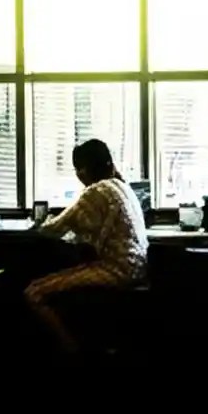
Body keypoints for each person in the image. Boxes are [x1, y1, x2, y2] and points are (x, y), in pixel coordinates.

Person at [24, 139, 148, 354]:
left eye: (78, 168)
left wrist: (39, 223)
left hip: (117, 270)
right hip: (138, 268)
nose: (78, 174)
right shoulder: (122, 186)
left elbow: (53, 228)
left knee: (34, 293)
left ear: (84, 170)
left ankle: (74, 355)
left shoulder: (96, 191)